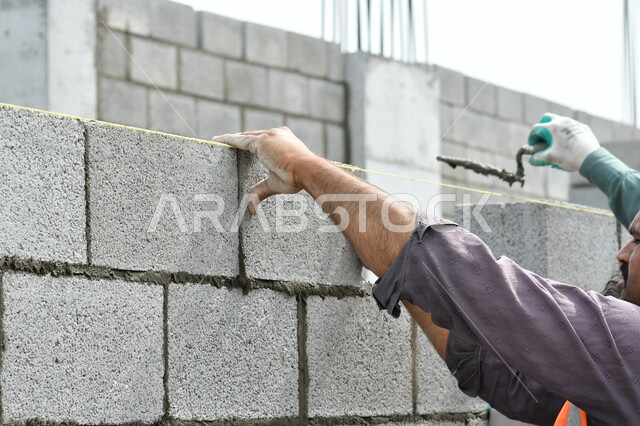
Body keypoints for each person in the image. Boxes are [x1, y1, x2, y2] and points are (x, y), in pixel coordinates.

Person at [212, 120, 640, 424]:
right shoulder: (609, 385)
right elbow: (501, 377)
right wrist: (380, 247)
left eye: (638, 241)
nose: (622, 252)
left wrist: (302, 165)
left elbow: (462, 274)